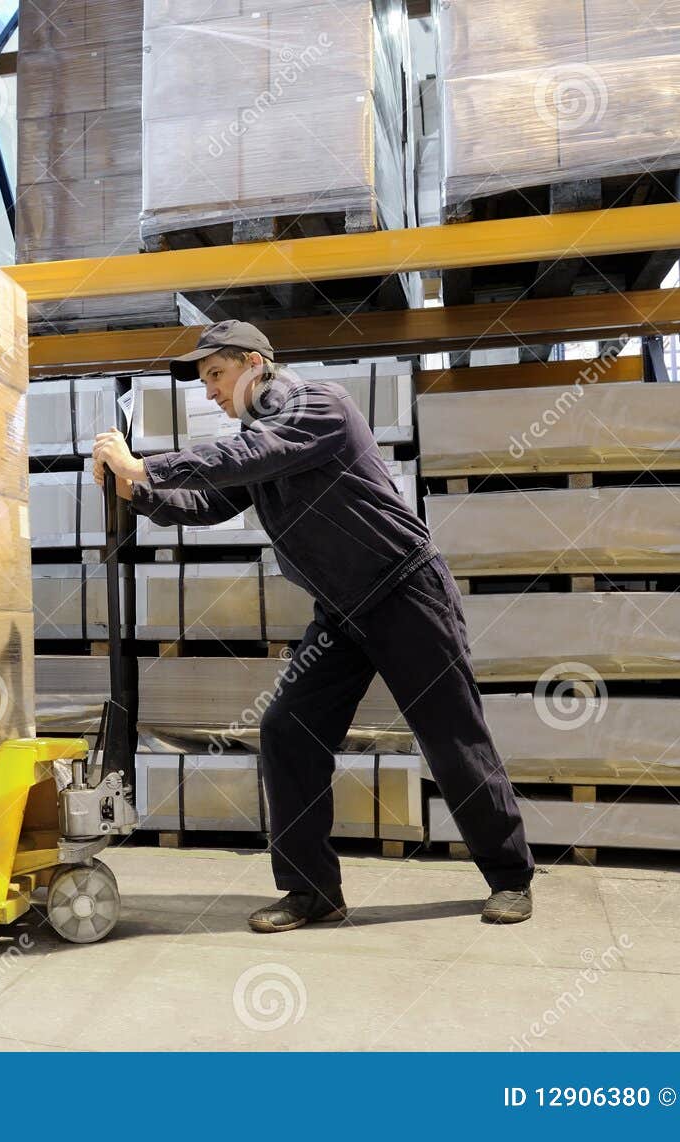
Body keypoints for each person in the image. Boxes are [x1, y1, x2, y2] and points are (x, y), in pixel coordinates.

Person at [92, 320, 535, 932]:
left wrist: (145, 465)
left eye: (216, 375)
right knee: (287, 731)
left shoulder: (316, 406)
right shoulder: (262, 437)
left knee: (450, 735)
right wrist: (133, 488)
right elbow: (206, 503)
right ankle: (311, 891)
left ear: (254, 363)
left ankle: (510, 876)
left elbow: (250, 456)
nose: (210, 393)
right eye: (204, 382)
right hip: (341, 611)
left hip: (405, 592)